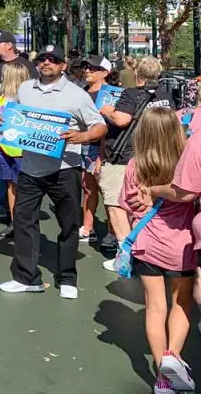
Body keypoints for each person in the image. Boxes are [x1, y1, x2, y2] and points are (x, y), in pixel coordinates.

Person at [0, 44, 106, 300]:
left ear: (63, 66)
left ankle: (67, 277)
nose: (47, 63)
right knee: (23, 220)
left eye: (54, 60)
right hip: (30, 168)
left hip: (65, 169)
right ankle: (26, 277)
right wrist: (1, 120)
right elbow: (15, 117)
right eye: (43, 59)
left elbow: (99, 126)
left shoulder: (77, 94)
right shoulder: (25, 88)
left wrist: (83, 136)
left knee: (69, 224)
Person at [120, 108, 196, 394]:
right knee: (181, 303)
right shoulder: (185, 163)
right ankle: (172, 357)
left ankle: (162, 378)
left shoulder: (134, 166)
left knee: (154, 307)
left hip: (146, 244)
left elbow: (127, 205)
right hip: (180, 245)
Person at [99, 55, 173, 271]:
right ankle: (146, 249)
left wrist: (107, 110)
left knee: (116, 203)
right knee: (143, 203)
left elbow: (122, 120)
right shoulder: (165, 96)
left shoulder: (130, 94)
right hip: (155, 157)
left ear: (137, 73)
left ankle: (126, 253)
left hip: (125, 156)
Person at [0, 62, 31, 237]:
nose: (1, 78)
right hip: (3, 147)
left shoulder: (27, 99)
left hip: (20, 151)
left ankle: (24, 223)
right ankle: (14, 222)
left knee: (23, 186)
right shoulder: (3, 96)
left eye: (4, 75)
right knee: (10, 184)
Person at [80, 54, 116, 243]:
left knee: (107, 192)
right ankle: (88, 228)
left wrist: (102, 154)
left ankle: (113, 231)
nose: (87, 71)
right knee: (87, 188)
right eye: (86, 67)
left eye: (93, 68)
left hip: (104, 148)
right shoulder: (81, 92)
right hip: (82, 146)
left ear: (105, 73)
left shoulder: (113, 94)